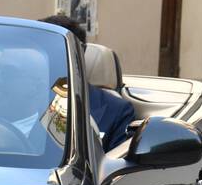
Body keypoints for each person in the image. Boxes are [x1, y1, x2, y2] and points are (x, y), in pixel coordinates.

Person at [42, 14, 135, 150]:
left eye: (55, 50)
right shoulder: (16, 100)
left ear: (78, 53)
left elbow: (115, 167)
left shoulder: (116, 110)